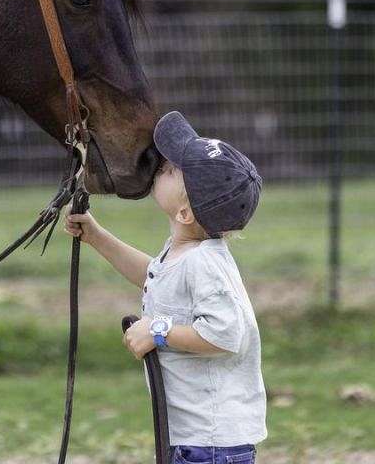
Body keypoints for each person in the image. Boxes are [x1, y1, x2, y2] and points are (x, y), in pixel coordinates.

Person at [65, 111, 266, 464]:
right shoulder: (184, 254)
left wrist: (158, 331)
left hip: (211, 444)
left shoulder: (203, 263)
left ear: (185, 213)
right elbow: (153, 277)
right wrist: (96, 236)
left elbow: (225, 334)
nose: (163, 165)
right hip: (195, 437)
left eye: (173, 170)